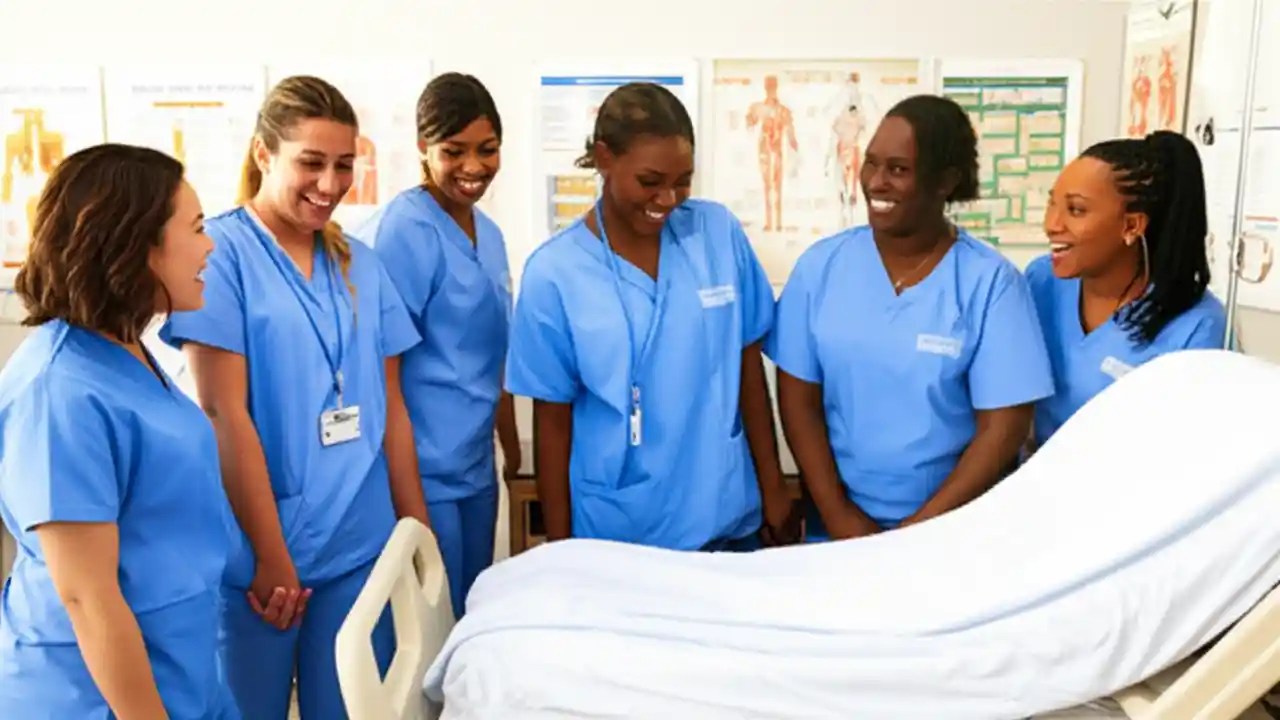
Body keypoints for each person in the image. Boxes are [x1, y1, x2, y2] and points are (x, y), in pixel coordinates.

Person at [160, 76, 429, 720]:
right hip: (258, 559)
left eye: (344, 165)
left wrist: (415, 534)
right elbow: (222, 413)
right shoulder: (221, 256)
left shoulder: (359, 262)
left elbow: (393, 407)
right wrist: (272, 557)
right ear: (262, 154)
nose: (330, 184)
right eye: (311, 162)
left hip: (360, 547)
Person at [505, 81, 800, 552]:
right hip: (618, 533)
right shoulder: (555, 273)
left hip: (725, 515)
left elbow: (746, 367)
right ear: (604, 158)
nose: (668, 198)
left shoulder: (717, 234)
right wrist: (560, 553)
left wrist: (774, 489)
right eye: (650, 181)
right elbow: (553, 420)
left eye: (683, 180)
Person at [0, 144, 235, 717]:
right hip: (93, 693)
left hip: (180, 663)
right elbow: (87, 597)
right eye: (197, 229)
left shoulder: (127, 348)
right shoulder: (58, 391)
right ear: (137, 244)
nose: (210, 246)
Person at [768, 94, 1055, 541]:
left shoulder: (990, 283)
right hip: (838, 523)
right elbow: (798, 397)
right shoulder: (821, 268)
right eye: (872, 163)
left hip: (954, 528)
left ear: (945, 181)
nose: (876, 182)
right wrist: (838, 513)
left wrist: (918, 532)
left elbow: (1005, 427)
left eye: (898, 169)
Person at [353, 72, 518, 617]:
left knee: (474, 611)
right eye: (455, 150)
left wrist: (510, 448)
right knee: (430, 624)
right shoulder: (406, 231)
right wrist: (409, 502)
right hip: (422, 470)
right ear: (423, 149)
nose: (474, 167)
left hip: (475, 463)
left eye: (487, 150)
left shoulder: (488, 235)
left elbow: (496, 353)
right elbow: (382, 371)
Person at [1026, 130, 1227, 450]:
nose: (1052, 224)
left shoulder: (1195, 323)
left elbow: (1179, 446)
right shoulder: (1041, 280)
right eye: (1052, 204)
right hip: (1027, 485)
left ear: (1132, 226)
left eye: (1076, 210)